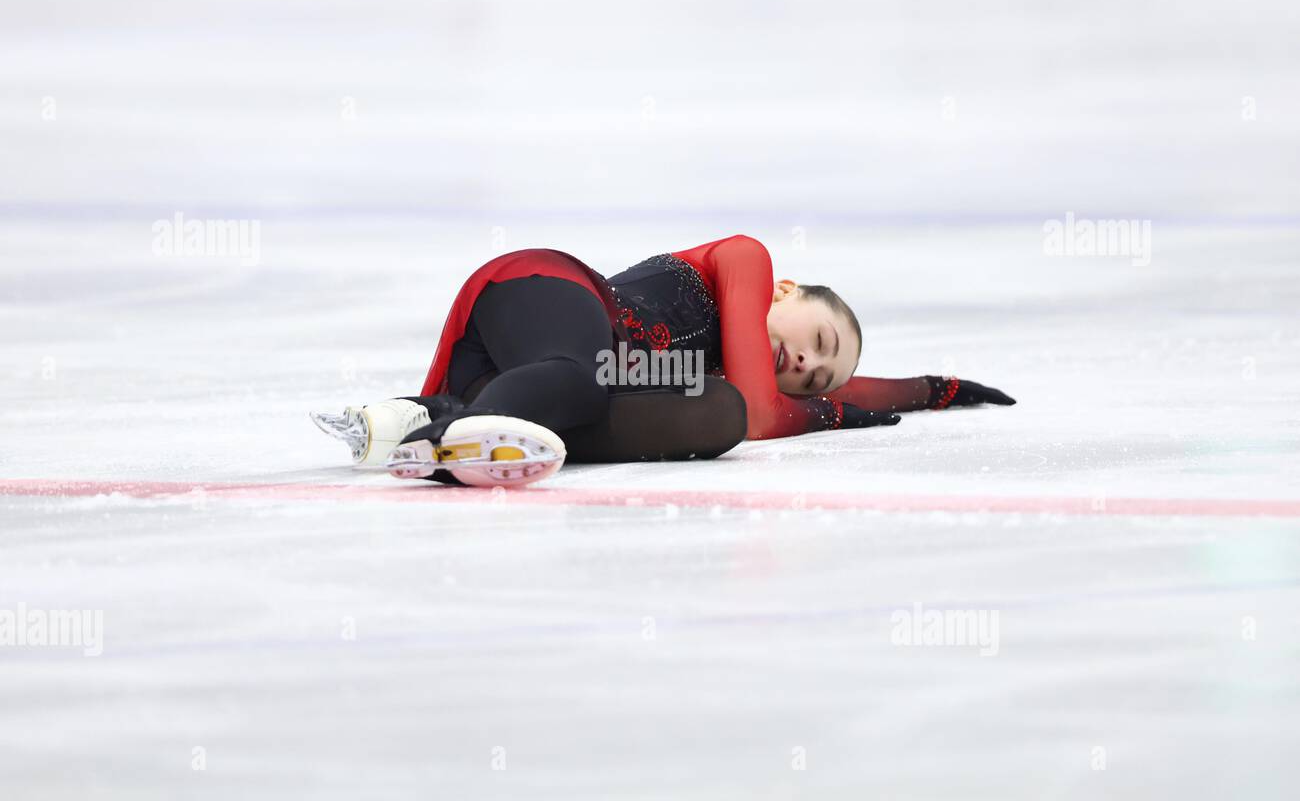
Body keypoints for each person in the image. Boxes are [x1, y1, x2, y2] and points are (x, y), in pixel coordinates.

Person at [313, 234, 1015, 486]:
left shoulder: (716, 381)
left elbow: (753, 411)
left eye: (814, 374)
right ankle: (442, 427)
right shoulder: (746, 259)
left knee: (718, 417)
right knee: (593, 380)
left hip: (547, 383)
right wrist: (832, 408)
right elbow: (773, 418)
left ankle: (429, 423)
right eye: (818, 342)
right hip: (541, 293)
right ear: (787, 291)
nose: (802, 362)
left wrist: (927, 390)